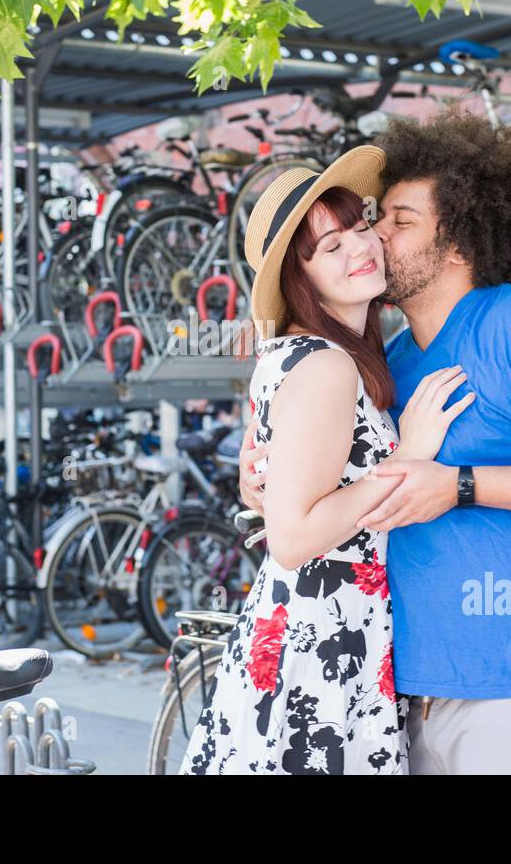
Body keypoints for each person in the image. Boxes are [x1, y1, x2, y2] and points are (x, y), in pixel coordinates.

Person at [240, 112, 511, 774]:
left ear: (458, 240)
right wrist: (263, 484)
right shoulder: (386, 364)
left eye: (399, 221)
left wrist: (462, 482)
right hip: (414, 698)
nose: (376, 235)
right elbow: (336, 497)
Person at [178, 145, 473, 774]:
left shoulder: (324, 357)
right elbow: (292, 537)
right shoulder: (324, 364)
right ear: (299, 277)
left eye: (359, 228)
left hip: (321, 634)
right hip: (318, 646)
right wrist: (409, 457)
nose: (361, 249)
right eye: (330, 249)